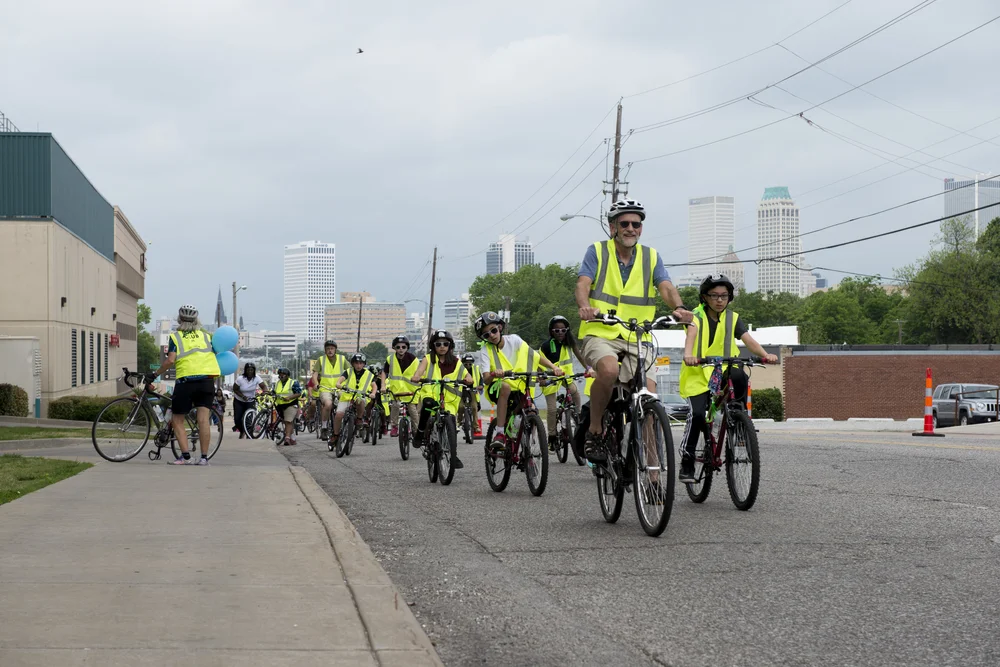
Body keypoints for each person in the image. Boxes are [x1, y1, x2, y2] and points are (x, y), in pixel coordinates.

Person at [575, 198, 692, 462]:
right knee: (608, 370)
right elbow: (583, 283)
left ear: (641, 228)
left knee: (648, 395)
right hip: (601, 331)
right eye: (624, 223)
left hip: (636, 336)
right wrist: (585, 306)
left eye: (636, 224)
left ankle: (651, 470)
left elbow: (666, 287)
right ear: (612, 226)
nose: (631, 228)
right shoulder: (597, 251)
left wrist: (680, 308)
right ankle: (595, 430)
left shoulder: (651, 257)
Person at [679, 274, 777, 482]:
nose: (719, 300)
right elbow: (691, 336)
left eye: (724, 295)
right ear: (704, 297)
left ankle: (738, 422)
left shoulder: (733, 318)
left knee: (740, 374)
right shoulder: (695, 316)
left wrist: (764, 354)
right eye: (714, 295)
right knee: (698, 415)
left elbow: (748, 340)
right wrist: (689, 355)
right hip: (697, 372)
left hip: (723, 369)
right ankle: (687, 460)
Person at [474, 311, 564, 454]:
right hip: (497, 388)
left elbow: (534, 356)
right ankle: (500, 433)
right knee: (505, 386)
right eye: (486, 335)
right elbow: (485, 378)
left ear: (500, 328)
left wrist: (553, 367)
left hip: (520, 386)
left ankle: (526, 448)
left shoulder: (515, 340)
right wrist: (493, 373)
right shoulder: (486, 349)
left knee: (532, 411)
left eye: (493, 330)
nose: (491, 335)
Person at [149, 304, 221, 465]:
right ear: (197, 320)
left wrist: (155, 374)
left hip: (186, 382)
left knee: (177, 420)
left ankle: (186, 457)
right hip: (207, 381)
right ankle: (203, 458)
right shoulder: (207, 336)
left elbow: (170, 361)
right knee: (203, 420)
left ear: (179, 319)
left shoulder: (176, 337)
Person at [409, 330, 472, 468]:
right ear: (433, 346)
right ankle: (420, 433)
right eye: (438, 344)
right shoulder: (427, 359)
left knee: (451, 423)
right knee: (427, 403)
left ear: (450, 345)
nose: (442, 346)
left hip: (449, 399)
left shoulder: (456, 361)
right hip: (430, 393)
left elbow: (468, 376)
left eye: (445, 344)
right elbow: (419, 372)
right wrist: (417, 377)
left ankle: (453, 455)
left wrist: (468, 379)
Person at [538, 315, 583, 446]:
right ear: (551, 331)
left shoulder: (570, 343)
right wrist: (541, 378)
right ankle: (551, 436)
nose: (560, 333)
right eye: (556, 330)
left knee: (575, 393)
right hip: (549, 377)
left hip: (566, 376)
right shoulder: (546, 346)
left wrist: (590, 368)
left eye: (563, 330)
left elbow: (580, 357)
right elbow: (538, 362)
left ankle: (576, 416)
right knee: (552, 409)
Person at [331, 352, 377, 444]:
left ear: (364, 364)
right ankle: (335, 435)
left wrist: (373, 393)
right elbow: (341, 379)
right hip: (347, 396)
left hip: (361, 396)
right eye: (356, 363)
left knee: (360, 401)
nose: (358, 365)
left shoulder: (369, 374)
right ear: (352, 363)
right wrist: (338, 384)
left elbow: (374, 385)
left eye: (361, 363)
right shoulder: (348, 371)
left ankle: (359, 419)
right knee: (339, 415)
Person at [381, 335, 419, 437]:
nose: (401, 349)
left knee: (413, 410)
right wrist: (383, 385)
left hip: (410, 390)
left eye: (403, 347)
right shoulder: (390, 359)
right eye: (398, 347)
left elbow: (420, 373)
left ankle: (416, 430)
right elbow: (384, 372)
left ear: (407, 348)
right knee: (395, 406)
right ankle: (394, 426)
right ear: (394, 348)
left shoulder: (413, 359)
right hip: (396, 390)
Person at [311, 340, 346, 440]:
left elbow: (350, 372)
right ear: (325, 350)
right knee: (328, 404)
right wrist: (316, 384)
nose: (330, 350)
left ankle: (348, 422)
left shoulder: (342, 359)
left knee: (347, 400)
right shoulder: (321, 360)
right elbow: (315, 374)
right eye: (328, 349)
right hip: (325, 389)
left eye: (332, 348)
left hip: (339, 388)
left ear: (335, 350)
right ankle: (325, 427)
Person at [233, 362, 266, 439]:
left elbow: (263, 386)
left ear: (254, 371)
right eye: (248, 370)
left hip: (250, 401)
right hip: (239, 401)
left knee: (249, 420)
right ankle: (242, 431)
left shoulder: (257, 378)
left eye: (251, 370)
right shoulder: (240, 379)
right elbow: (235, 389)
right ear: (245, 370)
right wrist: (243, 396)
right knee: (237, 419)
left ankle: (248, 434)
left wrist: (264, 392)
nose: (250, 372)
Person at [273, 367, 302, 446]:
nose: (282, 376)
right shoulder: (277, 383)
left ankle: (287, 438)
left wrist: (289, 397)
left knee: (288, 421)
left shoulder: (293, 382)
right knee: (285, 422)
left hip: (291, 404)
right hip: (280, 405)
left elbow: (299, 393)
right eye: (280, 374)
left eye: (284, 374)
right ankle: (292, 437)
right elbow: (274, 392)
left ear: (287, 375)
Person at [458, 353, 484, 437]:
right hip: (461, 390)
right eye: (466, 363)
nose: (468, 365)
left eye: (470, 363)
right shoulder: (459, 369)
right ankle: (458, 422)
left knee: (474, 407)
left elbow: (481, 380)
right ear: (463, 363)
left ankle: (476, 426)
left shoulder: (476, 369)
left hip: (473, 390)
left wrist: (481, 386)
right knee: (460, 407)